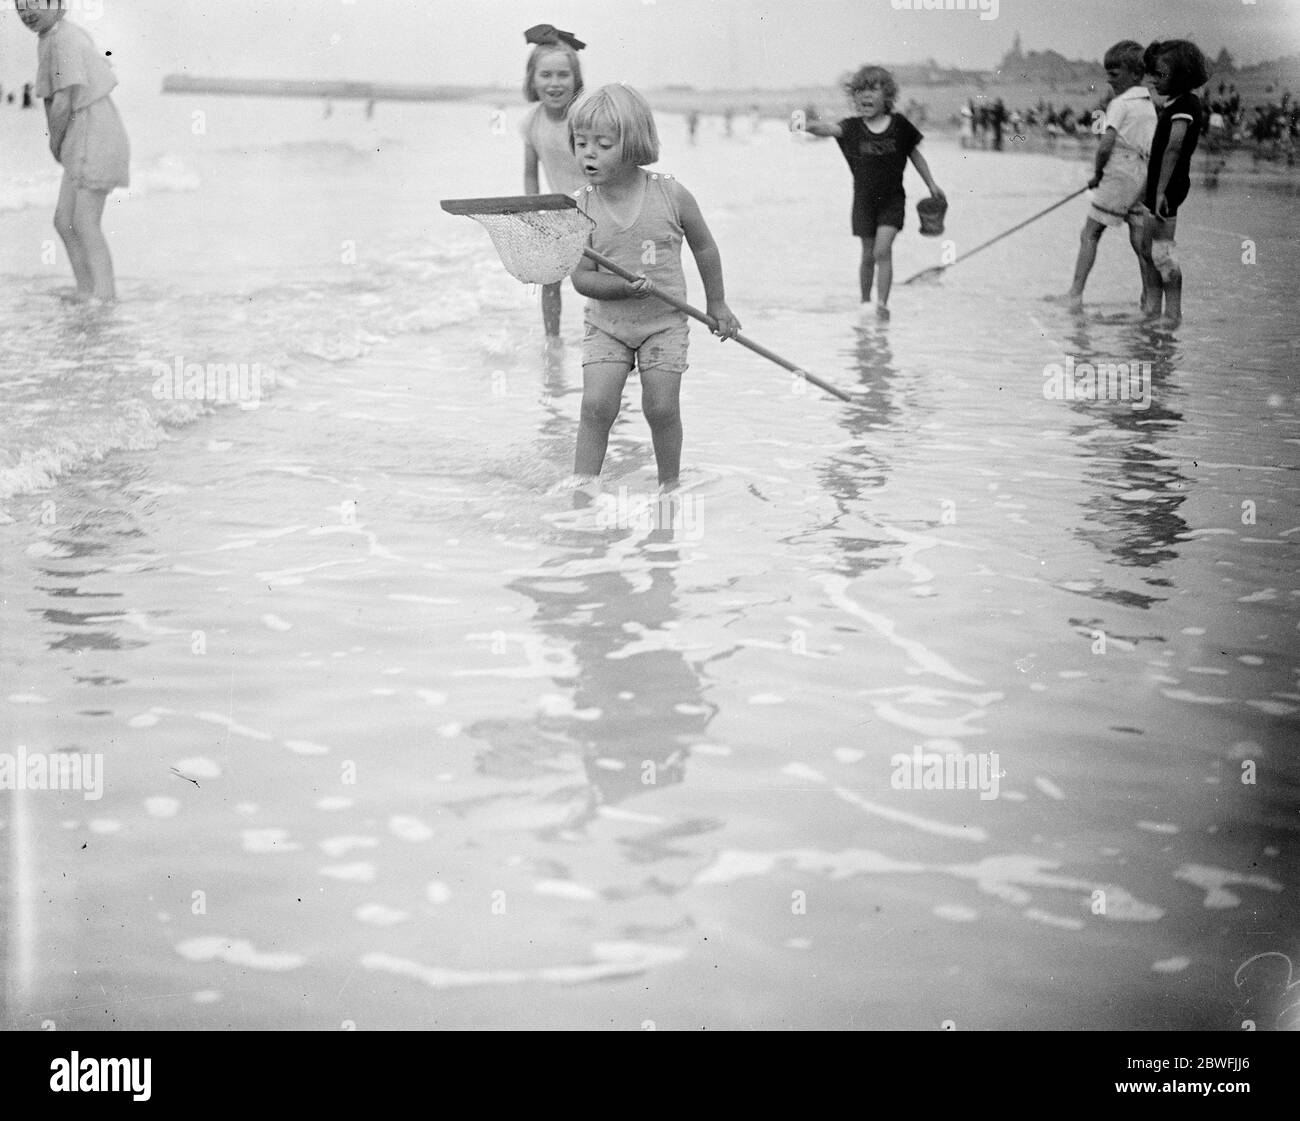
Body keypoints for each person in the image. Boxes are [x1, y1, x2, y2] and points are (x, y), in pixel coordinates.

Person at [568, 84, 740, 488]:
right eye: (580, 143)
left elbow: (705, 246)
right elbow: (580, 279)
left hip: (663, 324)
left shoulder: (670, 193)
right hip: (607, 325)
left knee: (661, 409)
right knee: (595, 406)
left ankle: (669, 487)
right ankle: (581, 490)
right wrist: (623, 289)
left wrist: (718, 304)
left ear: (632, 146)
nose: (588, 153)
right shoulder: (580, 205)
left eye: (602, 144)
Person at [804, 65, 945, 319]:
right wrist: (806, 125)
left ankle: (882, 305)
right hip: (863, 202)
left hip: (892, 201)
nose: (865, 95)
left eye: (872, 89)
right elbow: (828, 130)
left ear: (888, 96)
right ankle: (865, 303)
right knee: (868, 254)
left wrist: (931, 184)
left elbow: (915, 155)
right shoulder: (851, 127)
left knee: (882, 250)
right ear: (854, 98)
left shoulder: (899, 126)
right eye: (860, 90)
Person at [17, 1, 129, 302]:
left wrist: (54, 142)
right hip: (83, 132)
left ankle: (104, 296)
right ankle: (86, 290)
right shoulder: (51, 37)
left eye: (37, 3)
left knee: (83, 222)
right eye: (21, 6)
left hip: (95, 130)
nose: (28, 12)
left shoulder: (65, 37)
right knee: (63, 220)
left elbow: (64, 101)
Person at [1049, 42, 1156, 311]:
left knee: (1090, 232)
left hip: (1119, 173)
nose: (1109, 80)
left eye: (1114, 74)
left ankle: (1074, 294)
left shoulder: (1120, 104)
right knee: (1140, 241)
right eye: (1107, 73)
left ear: (1134, 74)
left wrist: (1098, 174)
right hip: (1143, 177)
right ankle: (1149, 300)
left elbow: (1106, 145)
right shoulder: (1149, 104)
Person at [520, 24, 587, 339]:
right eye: (546, 75)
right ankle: (553, 341)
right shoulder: (531, 121)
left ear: (576, 80)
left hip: (597, 210)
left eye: (563, 75)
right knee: (549, 279)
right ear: (532, 79)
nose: (555, 83)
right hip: (558, 215)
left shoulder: (581, 117)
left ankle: (609, 339)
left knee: (595, 282)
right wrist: (532, 212)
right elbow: (530, 171)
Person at [1139, 39, 1209, 326]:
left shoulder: (1186, 105)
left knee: (1162, 252)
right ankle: (1153, 309)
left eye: (1160, 74)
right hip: (1158, 185)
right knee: (1148, 249)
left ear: (1181, 77)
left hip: (1166, 188)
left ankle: (1172, 315)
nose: (1153, 80)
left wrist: (1158, 191)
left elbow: (1174, 148)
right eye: (1152, 73)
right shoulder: (1174, 103)